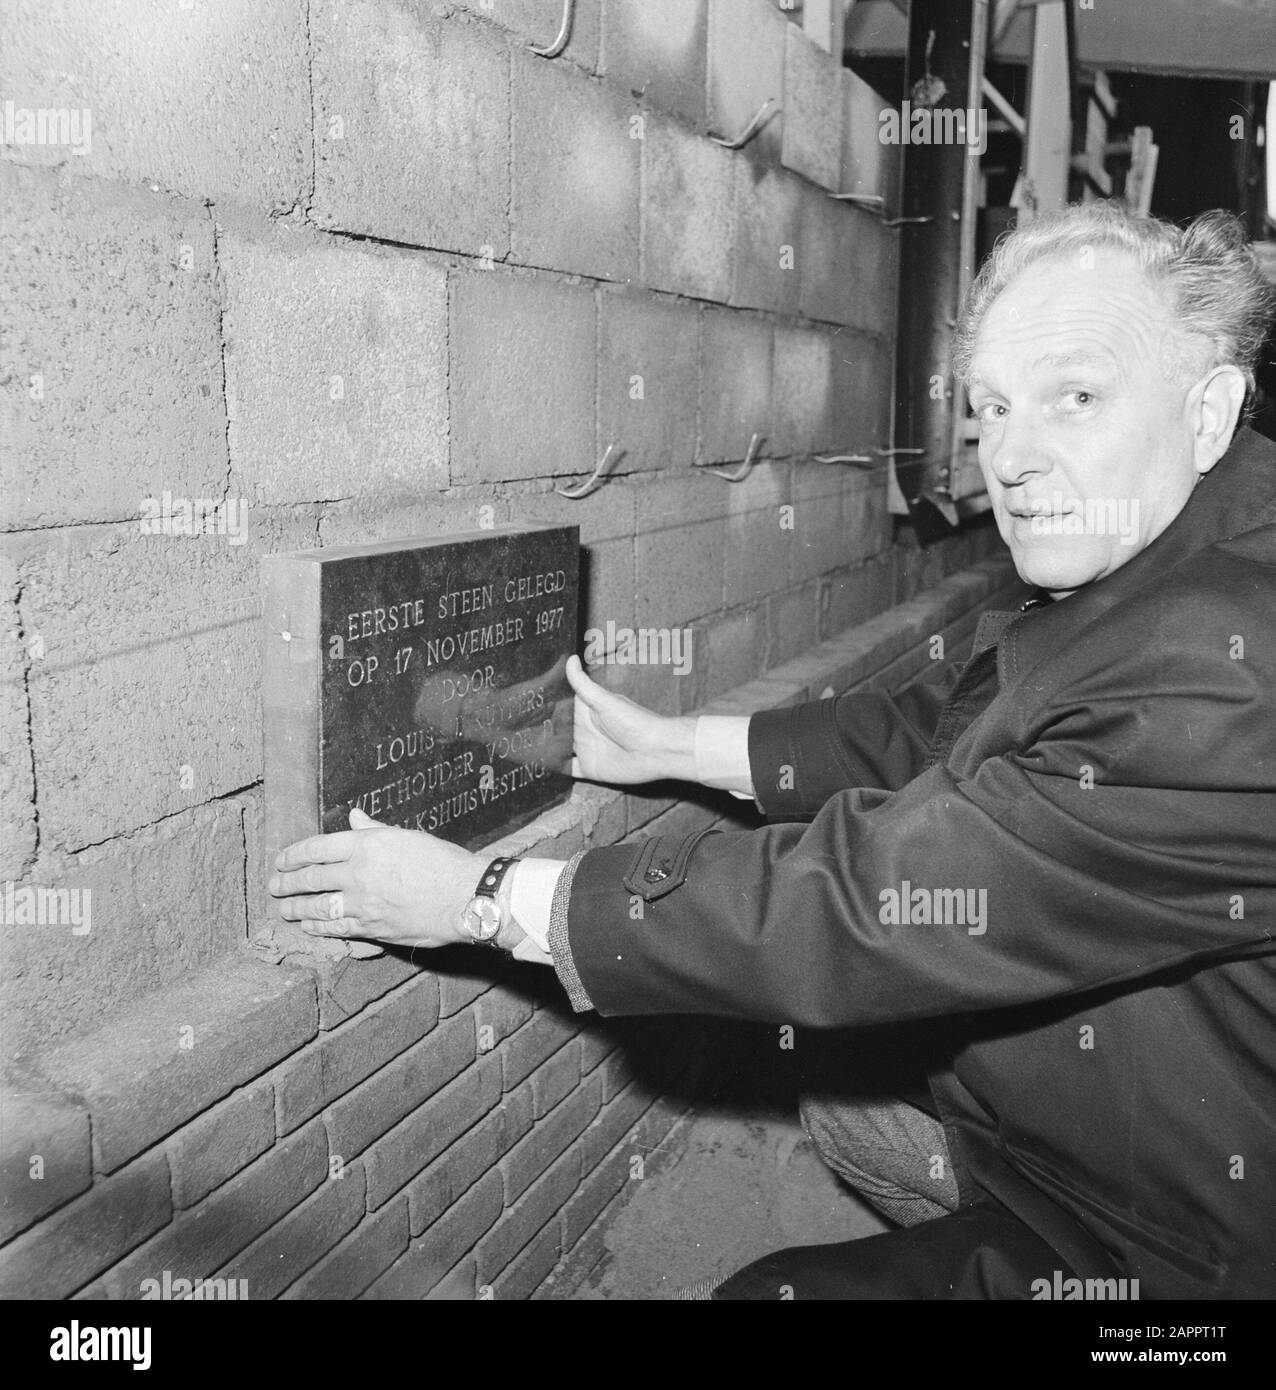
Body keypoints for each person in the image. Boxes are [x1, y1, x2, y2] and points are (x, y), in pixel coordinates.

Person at [270, 202, 1276, 1299]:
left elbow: (879, 900)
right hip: (1127, 1129)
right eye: (992, 407)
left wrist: (489, 897)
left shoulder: (1223, 665)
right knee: (845, 1089)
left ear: (1208, 409)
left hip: (1183, 1247)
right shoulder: (1184, 545)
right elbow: (946, 724)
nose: (1015, 459)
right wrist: (673, 744)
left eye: (1074, 398)